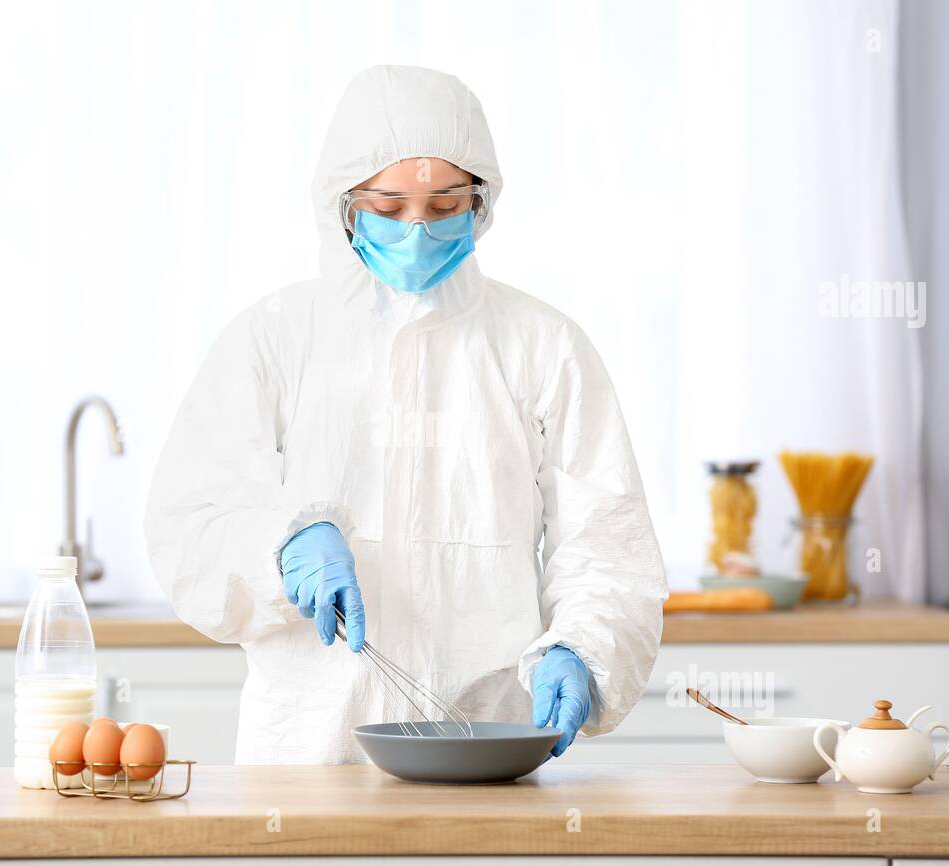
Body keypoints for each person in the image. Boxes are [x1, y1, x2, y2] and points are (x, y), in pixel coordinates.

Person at [145, 65, 667, 765]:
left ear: (479, 204)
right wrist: (280, 546)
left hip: (486, 747)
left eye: (443, 204)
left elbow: (607, 545)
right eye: (390, 208)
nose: (417, 229)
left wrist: (581, 648)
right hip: (307, 756)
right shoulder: (274, 337)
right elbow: (188, 520)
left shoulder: (545, 346)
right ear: (344, 204)